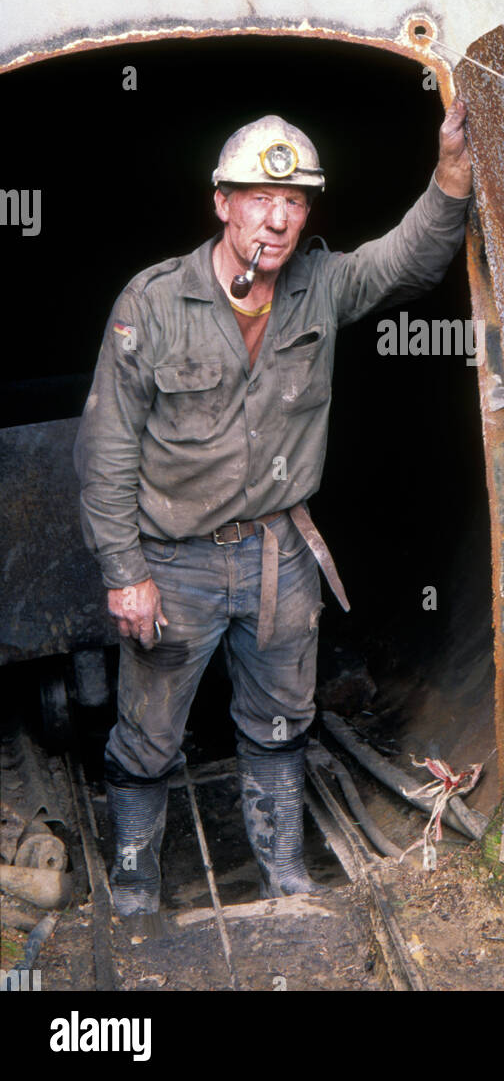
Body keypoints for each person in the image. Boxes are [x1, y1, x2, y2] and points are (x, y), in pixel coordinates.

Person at [74, 100, 471, 918]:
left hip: (279, 557)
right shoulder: (151, 303)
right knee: (149, 734)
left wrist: (451, 176)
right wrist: (125, 574)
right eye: (258, 198)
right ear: (221, 203)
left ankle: (284, 872)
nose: (278, 217)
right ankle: (137, 876)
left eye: (293, 202)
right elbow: (106, 449)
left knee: (282, 721)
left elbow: (409, 262)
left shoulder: (320, 286)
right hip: (173, 562)